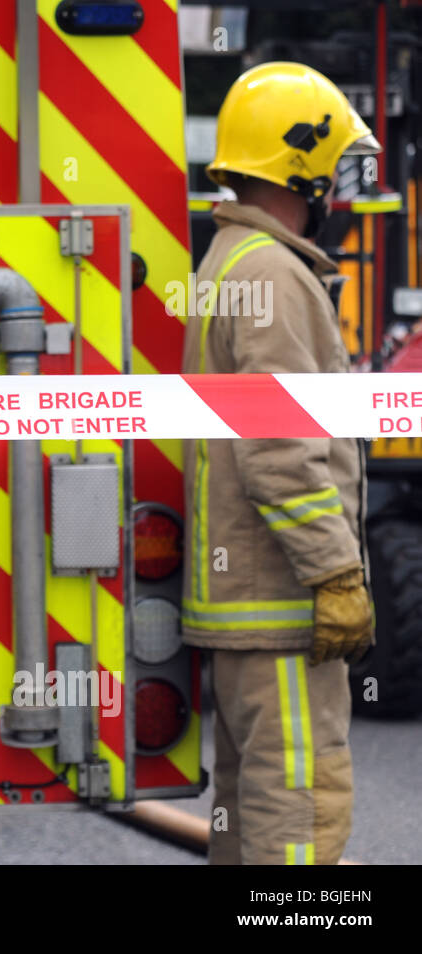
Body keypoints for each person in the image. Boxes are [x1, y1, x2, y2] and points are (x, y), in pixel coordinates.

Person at [182, 62, 379, 865]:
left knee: (249, 806)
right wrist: (335, 573)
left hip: (243, 606)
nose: (340, 186)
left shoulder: (230, 261)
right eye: (335, 165)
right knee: (299, 808)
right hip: (279, 602)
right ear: (305, 166)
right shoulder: (274, 273)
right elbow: (283, 452)